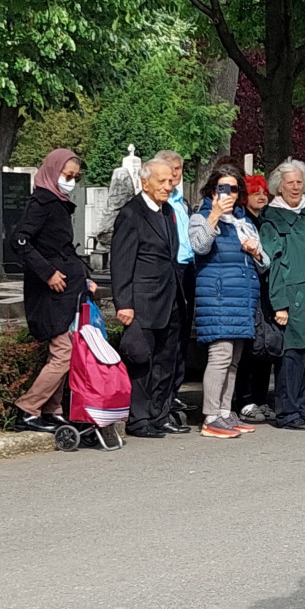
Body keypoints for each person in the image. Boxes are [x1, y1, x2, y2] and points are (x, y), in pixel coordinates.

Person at [10, 149, 97, 432]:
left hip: (66, 291)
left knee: (64, 351)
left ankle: (52, 408)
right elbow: (20, 240)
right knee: (63, 352)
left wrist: (84, 277)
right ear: (52, 171)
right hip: (48, 292)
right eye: (66, 175)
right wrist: (47, 272)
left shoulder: (59, 203)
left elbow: (64, 248)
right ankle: (27, 407)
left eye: (74, 177)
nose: (70, 181)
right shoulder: (42, 202)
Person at [189, 167, 271, 439]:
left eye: (234, 189)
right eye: (223, 188)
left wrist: (255, 252)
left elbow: (264, 262)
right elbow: (199, 247)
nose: (229, 195)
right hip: (219, 298)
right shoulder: (200, 217)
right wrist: (213, 215)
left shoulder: (242, 222)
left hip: (242, 298)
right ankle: (211, 416)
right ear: (212, 191)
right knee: (220, 356)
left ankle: (225, 412)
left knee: (234, 359)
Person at [111, 157, 188, 438]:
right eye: (162, 181)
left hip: (170, 299)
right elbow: (121, 262)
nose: (168, 186)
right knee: (142, 361)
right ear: (145, 182)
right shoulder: (132, 214)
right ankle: (138, 418)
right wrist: (124, 303)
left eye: (171, 181)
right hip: (143, 300)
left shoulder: (168, 212)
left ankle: (160, 414)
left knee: (166, 361)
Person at [258, 159, 305, 431]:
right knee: (292, 357)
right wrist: (280, 305)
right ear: (279, 186)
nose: (296, 187)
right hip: (293, 297)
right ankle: (288, 413)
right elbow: (273, 265)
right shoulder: (271, 220)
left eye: (300, 182)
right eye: (290, 183)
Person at [154, 149, 197, 416]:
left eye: (179, 170)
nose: (175, 175)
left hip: (188, 269)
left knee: (182, 335)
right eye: (170, 170)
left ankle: (176, 390)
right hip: (170, 271)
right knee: (167, 335)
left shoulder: (183, 204)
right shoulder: (160, 204)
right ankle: (163, 395)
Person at [234, 173, 279, 422]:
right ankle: (246, 399)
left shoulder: (267, 221)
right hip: (251, 288)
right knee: (251, 348)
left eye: (264, 192)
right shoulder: (243, 222)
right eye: (255, 192)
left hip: (267, 288)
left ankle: (261, 398)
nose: (262, 196)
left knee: (266, 345)